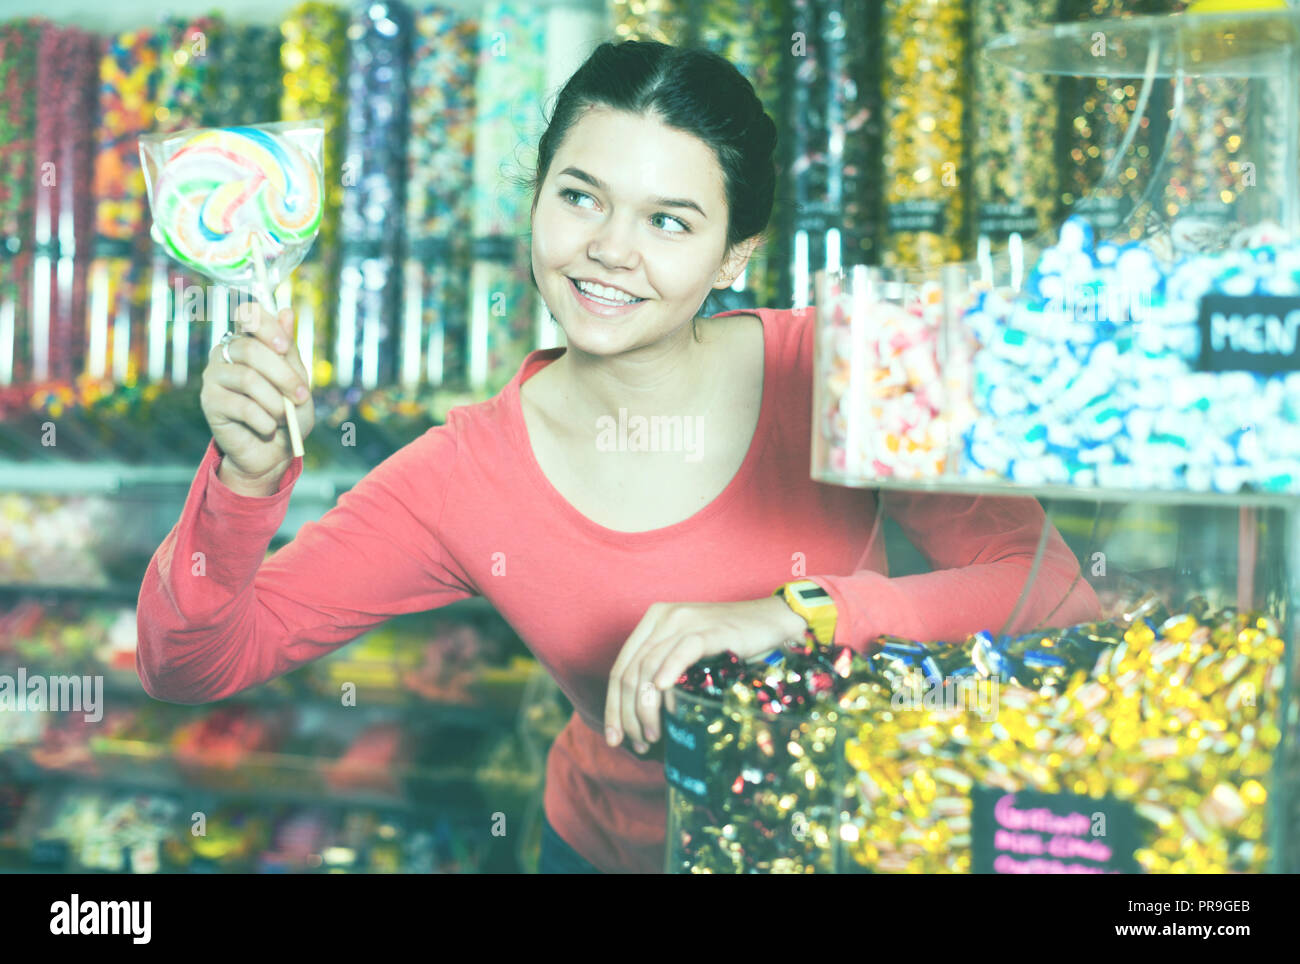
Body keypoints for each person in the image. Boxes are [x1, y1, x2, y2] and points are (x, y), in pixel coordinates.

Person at [136, 40, 1101, 875]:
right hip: (599, 852)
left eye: (669, 220)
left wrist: (797, 614)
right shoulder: (461, 476)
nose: (608, 251)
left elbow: (1056, 594)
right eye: (580, 196)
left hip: (835, 843)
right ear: (539, 195)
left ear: (733, 256)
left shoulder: (844, 369)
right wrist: (245, 485)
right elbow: (191, 665)